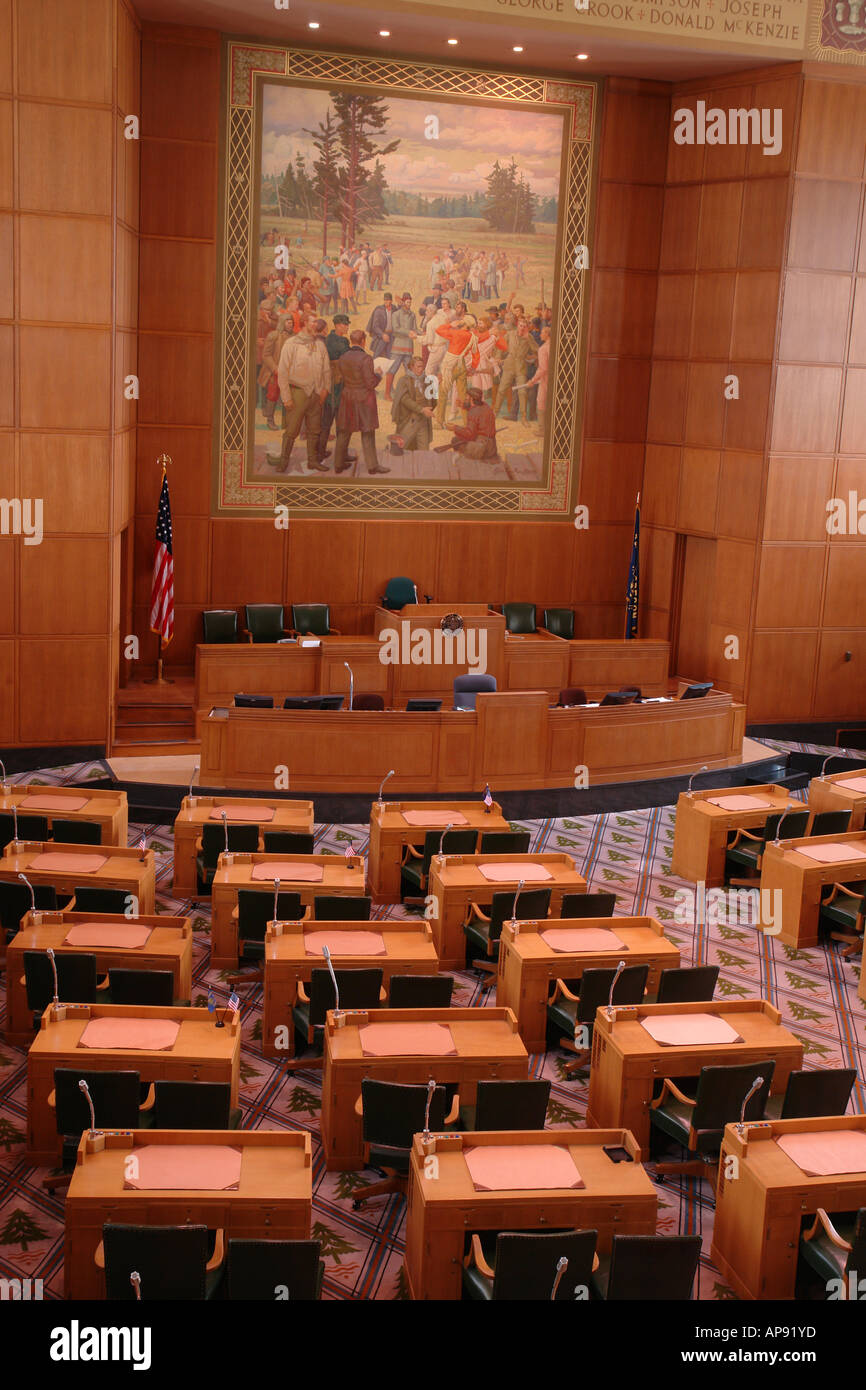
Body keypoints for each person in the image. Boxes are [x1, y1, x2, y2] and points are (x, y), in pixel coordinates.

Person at [268, 315, 331, 474]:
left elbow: (326, 370)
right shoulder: (291, 344)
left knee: (314, 430)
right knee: (291, 431)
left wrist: (325, 390)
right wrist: (287, 397)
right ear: (304, 324)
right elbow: (282, 372)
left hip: (316, 394)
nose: (316, 324)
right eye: (313, 321)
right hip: (297, 393)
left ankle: (312, 461)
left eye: (317, 321)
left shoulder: (320, 345)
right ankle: (283, 462)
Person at [334, 329, 390, 476]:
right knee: (367, 432)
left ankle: (338, 464)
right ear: (363, 341)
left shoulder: (343, 357)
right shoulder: (366, 359)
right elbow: (370, 383)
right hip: (364, 399)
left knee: (344, 430)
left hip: (347, 397)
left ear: (352, 341)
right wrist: (378, 374)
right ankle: (372, 466)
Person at [317, 314, 356, 464]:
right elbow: (342, 361)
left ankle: (333, 454)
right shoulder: (335, 341)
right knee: (333, 423)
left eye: (347, 324)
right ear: (338, 325)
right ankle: (328, 455)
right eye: (345, 325)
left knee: (335, 422)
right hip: (335, 386)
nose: (347, 327)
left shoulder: (336, 340)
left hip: (336, 386)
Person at [492, 316, 537, 423]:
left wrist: (528, 339)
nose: (522, 328)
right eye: (521, 326)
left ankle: (523, 417)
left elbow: (537, 350)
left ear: (527, 328)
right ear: (517, 325)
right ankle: (495, 413)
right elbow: (501, 346)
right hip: (509, 365)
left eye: (524, 327)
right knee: (501, 390)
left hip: (521, 367)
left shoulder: (529, 337)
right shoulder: (510, 334)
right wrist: (498, 356)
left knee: (522, 392)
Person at [389, 356, 434, 453]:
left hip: (423, 421)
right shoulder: (404, 381)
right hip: (409, 421)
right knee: (400, 449)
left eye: (422, 367)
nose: (421, 369)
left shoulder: (426, 380)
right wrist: (422, 410)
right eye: (418, 367)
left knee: (424, 452)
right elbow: (405, 400)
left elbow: (431, 400)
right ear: (412, 367)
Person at [443, 386, 498, 460]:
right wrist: (463, 405)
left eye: (467, 396)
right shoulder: (485, 406)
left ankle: (462, 460)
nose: (465, 398)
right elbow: (476, 411)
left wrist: (454, 428)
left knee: (455, 440)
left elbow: (469, 434)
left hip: (481, 449)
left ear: (471, 399)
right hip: (491, 447)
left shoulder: (473, 412)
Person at [384, 292, 419, 400]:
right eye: (408, 302)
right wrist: (409, 332)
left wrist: (422, 333)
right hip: (398, 346)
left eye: (410, 302)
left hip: (408, 347)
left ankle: (411, 394)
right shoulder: (396, 314)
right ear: (403, 302)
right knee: (392, 369)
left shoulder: (412, 315)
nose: (409, 304)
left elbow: (415, 329)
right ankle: (387, 393)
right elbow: (396, 329)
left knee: (410, 371)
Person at [366, 292, 394, 358]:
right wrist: (382, 335)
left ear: (391, 301)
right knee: (377, 355)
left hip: (392, 336)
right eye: (385, 300)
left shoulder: (394, 309)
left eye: (388, 300)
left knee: (390, 356)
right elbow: (375, 326)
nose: (386, 301)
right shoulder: (379, 310)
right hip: (381, 336)